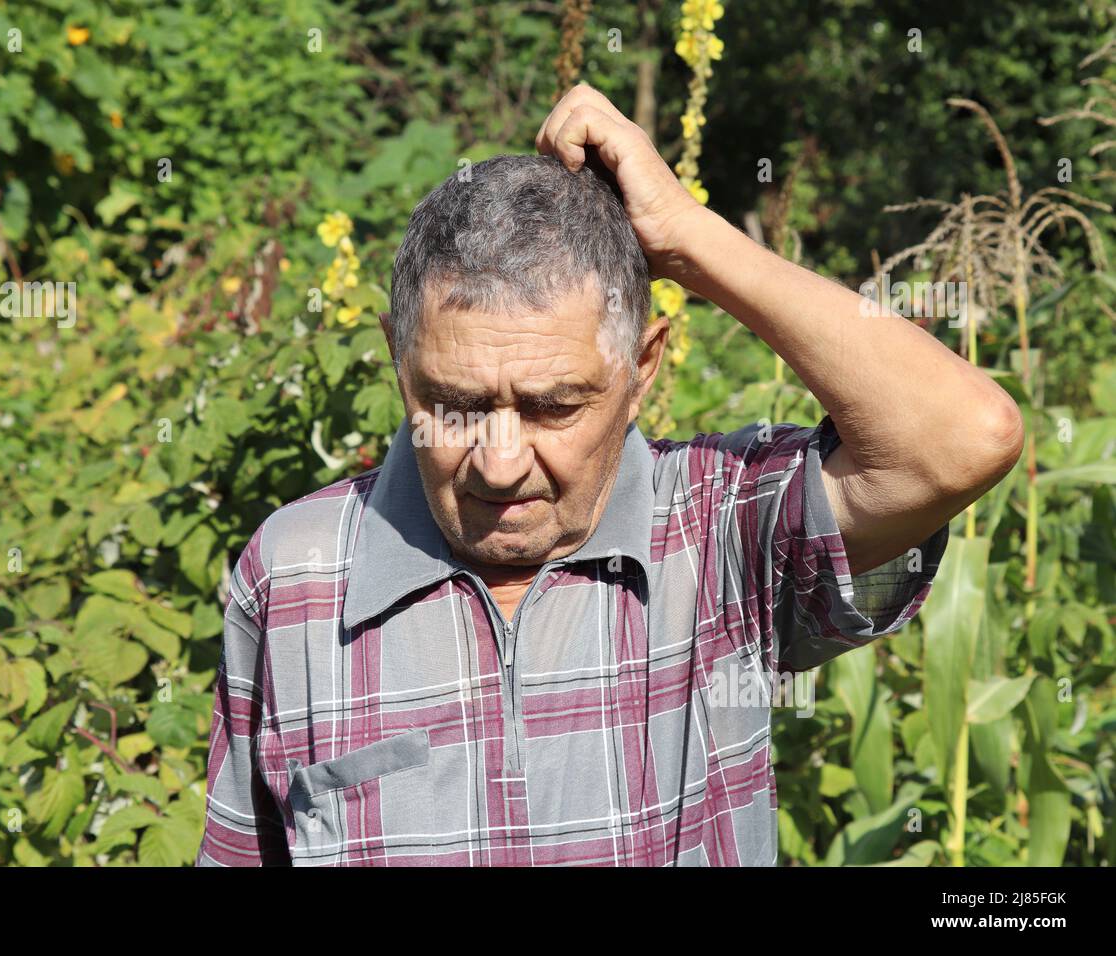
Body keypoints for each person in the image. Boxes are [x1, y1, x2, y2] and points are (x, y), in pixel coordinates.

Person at [196, 84, 1023, 866]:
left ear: (643, 368)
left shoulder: (716, 530)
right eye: (454, 403)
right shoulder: (296, 575)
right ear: (397, 364)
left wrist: (688, 238)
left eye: (554, 407)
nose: (501, 461)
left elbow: (963, 437)